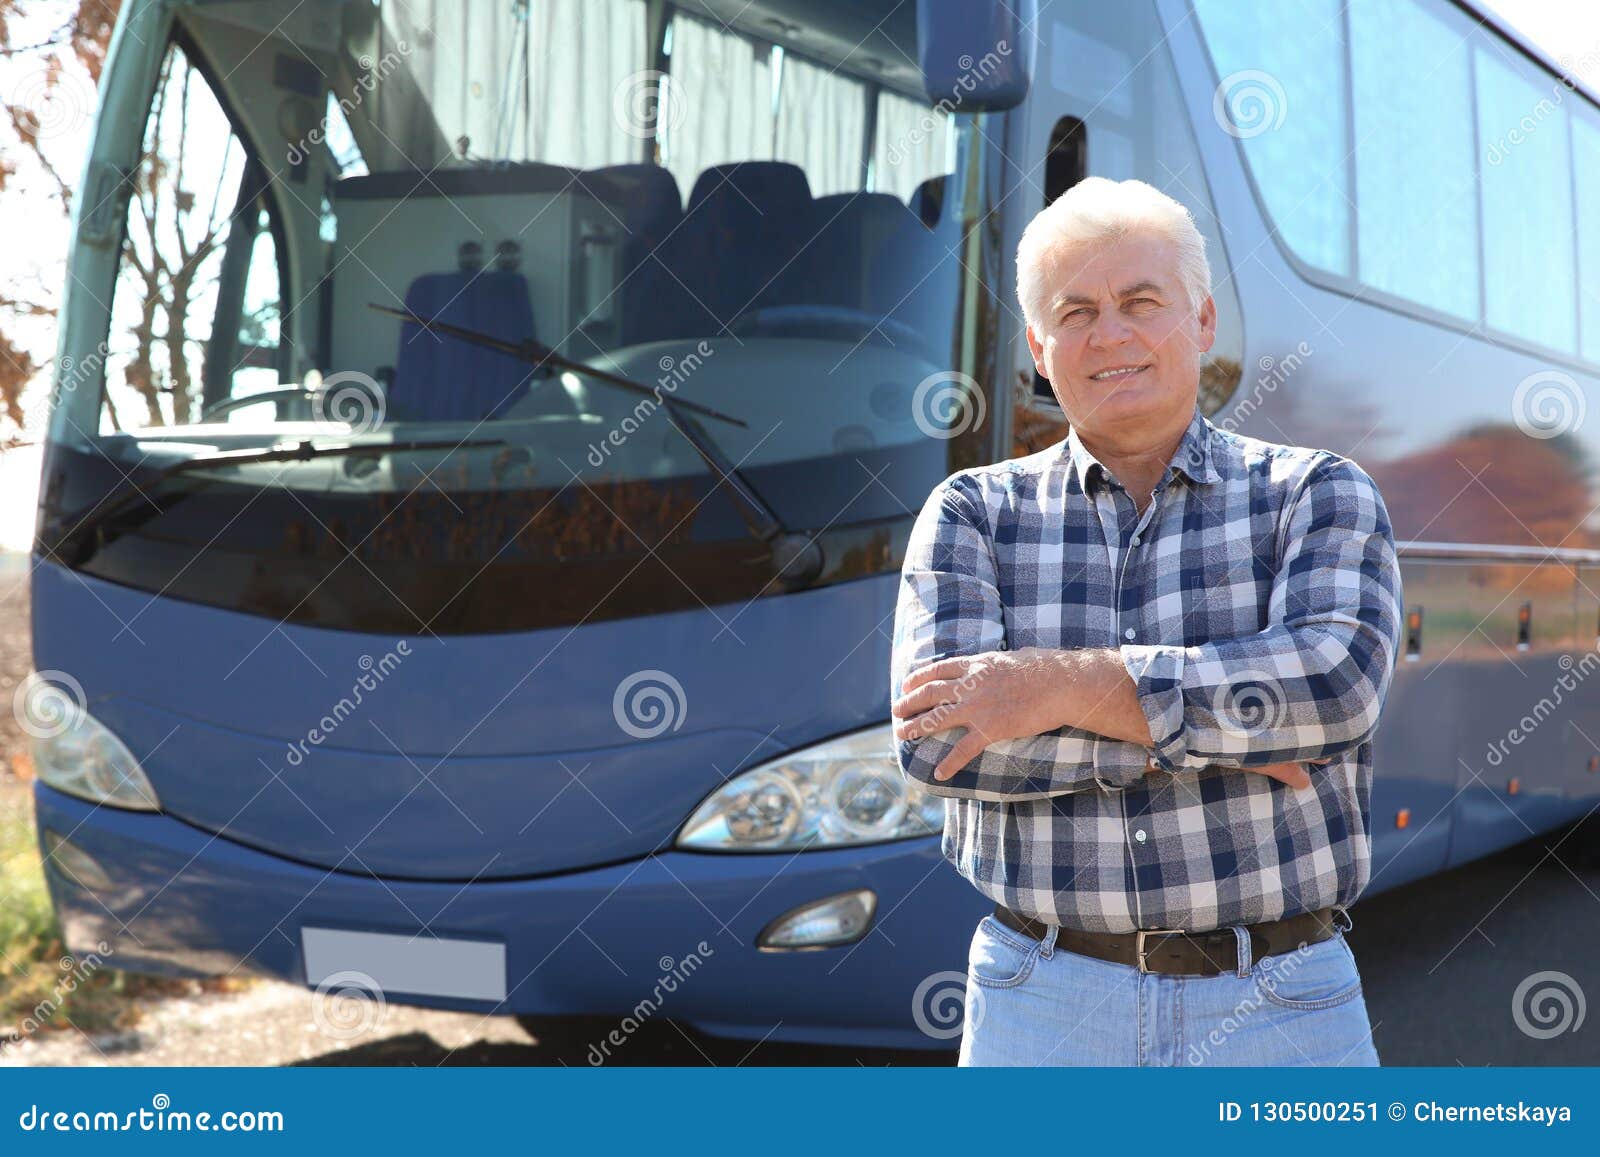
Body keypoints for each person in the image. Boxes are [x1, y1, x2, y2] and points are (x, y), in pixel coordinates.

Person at [889, 176, 1403, 1067]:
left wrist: (1046, 686)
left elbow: (1332, 686)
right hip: (1040, 1007)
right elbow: (939, 741)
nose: (1111, 334)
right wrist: (1221, 728)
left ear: (1201, 321)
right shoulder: (970, 513)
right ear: (1041, 350)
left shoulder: (1314, 493)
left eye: (1140, 301)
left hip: (1280, 1004)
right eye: (1077, 310)